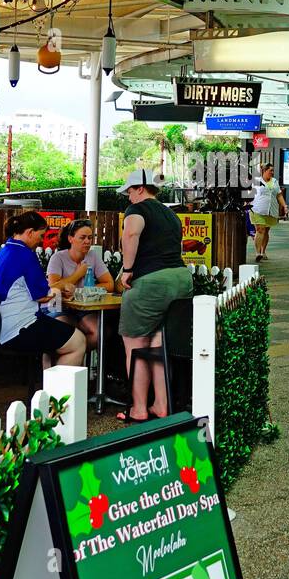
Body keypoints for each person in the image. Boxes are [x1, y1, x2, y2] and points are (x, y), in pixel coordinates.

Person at [115, 169, 194, 423]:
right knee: (159, 344)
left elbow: (131, 234)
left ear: (140, 188)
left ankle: (138, 408)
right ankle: (162, 404)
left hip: (151, 282)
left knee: (135, 345)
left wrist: (127, 270)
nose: (128, 197)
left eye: (129, 191)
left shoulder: (137, 211)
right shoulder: (170, 214)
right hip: (180, 279)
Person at [0, 212, 85, 369]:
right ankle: (55, 393)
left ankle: (49, 386)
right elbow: (42, 297)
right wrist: (56, 291)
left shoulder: (4, 251)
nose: (41, 240)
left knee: (58, 333)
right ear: (30, 232)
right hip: (19, 328)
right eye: (41, 235)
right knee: (78, 341)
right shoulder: (25, 255)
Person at [47, 218, 115, 352]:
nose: (87, 241)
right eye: (82, 237)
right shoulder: (58, 258)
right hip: (59, 307)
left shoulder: (93, 256)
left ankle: (77, 360)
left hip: (83, 308)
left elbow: (109, 284)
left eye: (90, 237)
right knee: (64, 332)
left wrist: (84, 291)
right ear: (70, 238)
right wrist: (79, 273)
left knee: (99, 332)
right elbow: (54, 286)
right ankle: (62, 360)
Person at [250, 162, 288, 261]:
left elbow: (279, 195)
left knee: (266, 231)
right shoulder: (256, 180)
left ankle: (263, 251)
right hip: (257, 209)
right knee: (260, 229)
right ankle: (257, 253)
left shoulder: (275, 181)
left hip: (271, 210)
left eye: (272, 170)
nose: (272, 172)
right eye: (270, 170)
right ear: (264, 171)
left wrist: (284, 206)